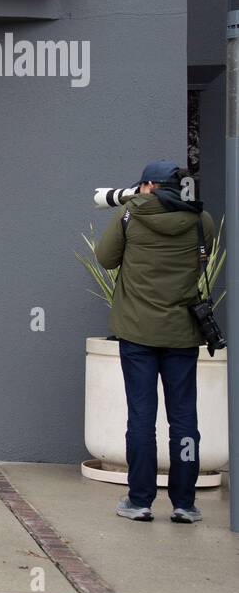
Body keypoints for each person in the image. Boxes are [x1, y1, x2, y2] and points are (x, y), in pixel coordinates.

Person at [95, 160, 216, 523]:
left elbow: (105, 259)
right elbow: (203, 259)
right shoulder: (201, 220)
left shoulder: (129, 216)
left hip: (137, 332)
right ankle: (184, 503)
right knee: (184, 419)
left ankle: (140, 500)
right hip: (181, 334)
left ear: (148, 185)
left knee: (142, 418)